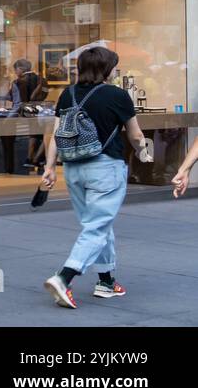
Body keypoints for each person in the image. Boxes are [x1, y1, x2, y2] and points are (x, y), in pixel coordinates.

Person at [40, 46, 152, 309]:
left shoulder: (67, 94)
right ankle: (64, 277)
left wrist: (49, 167)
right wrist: (143, 151)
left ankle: (106, 282)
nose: (115, 70)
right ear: (106, 69)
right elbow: (135, 135)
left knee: (97, 225)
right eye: (114, 66)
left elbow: (56, 134)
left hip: (74, 169)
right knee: (97, 226)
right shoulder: (117, 95)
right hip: (105, 168)